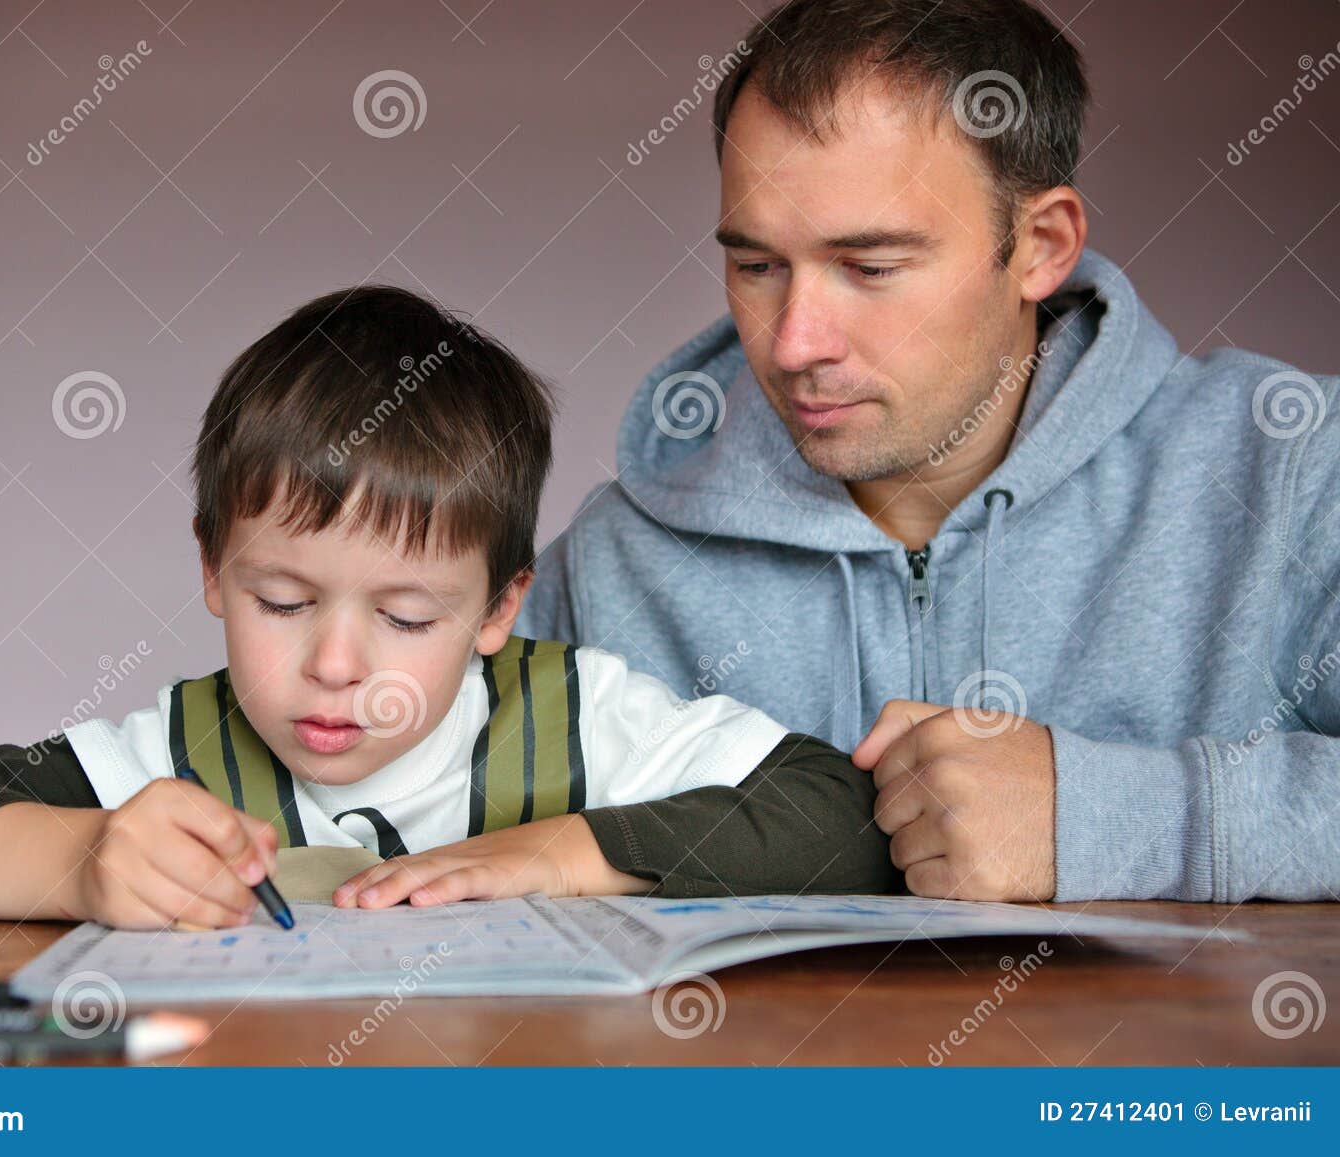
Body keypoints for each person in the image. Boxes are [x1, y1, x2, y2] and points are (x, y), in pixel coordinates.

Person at [519, 0, 1340, 903]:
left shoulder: (1292, 465)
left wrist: (1102, 817)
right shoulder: (613, 560)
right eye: (757, 267)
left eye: (870, 269)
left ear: (1040, 246)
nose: (795, 344)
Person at [0, 285, 898, 931]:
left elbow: (842, 817)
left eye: (405, 617)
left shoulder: (581, 714)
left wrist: (557, 853)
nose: (336, 663)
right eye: (284, 598)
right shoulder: (177, 749)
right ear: (213, 569)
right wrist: (82, 859)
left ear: (498, 606)